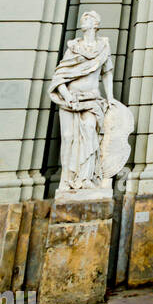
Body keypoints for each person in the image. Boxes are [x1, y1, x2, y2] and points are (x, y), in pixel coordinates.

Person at [49, 11, 113, 195]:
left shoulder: (103, 47)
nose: (84, 20)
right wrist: (66, 95)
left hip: (91, 98)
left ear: (96, 24)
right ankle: (67, 180)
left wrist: (110, 98)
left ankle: (86, 178)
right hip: (69, 98)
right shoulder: (74, 48)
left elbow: (107, 73)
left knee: (90, 131)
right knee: (68, 138)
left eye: (88, 18)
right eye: (83, 18)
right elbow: (59, 76)